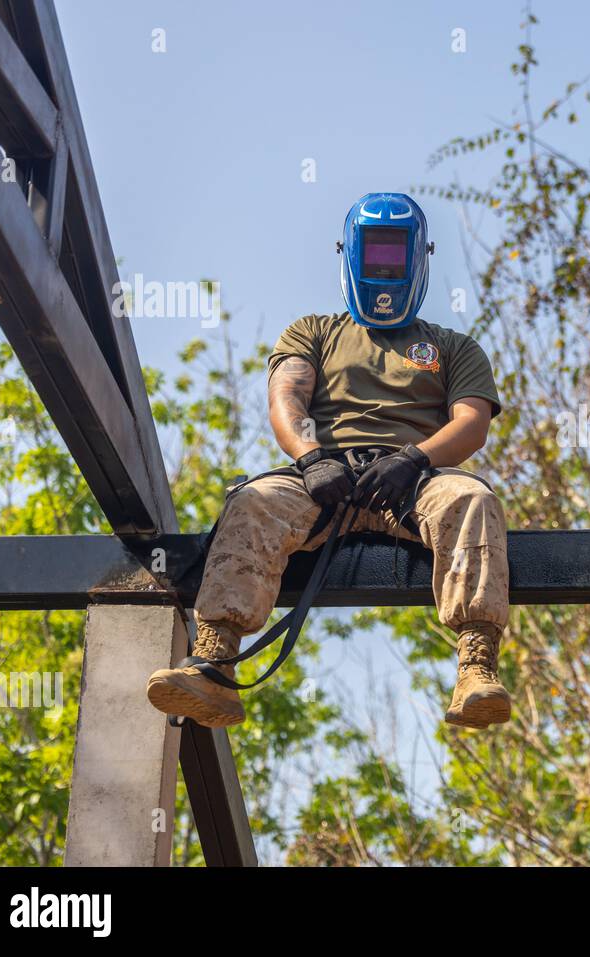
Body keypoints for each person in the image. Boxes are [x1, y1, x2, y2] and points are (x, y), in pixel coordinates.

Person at [146, 192, 511, 730]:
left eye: (396, 255)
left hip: (412, 482)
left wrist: (413, 459)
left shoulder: (453, 347)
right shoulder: (311, 332)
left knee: (474, 499)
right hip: (325, 481)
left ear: (419, 257)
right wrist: (313, 458)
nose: (384, 268)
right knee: (253, 502)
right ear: (349, 253)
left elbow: (471, 423)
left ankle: (476, 669)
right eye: (374, 255)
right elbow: (285, 402)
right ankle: (213, 665)